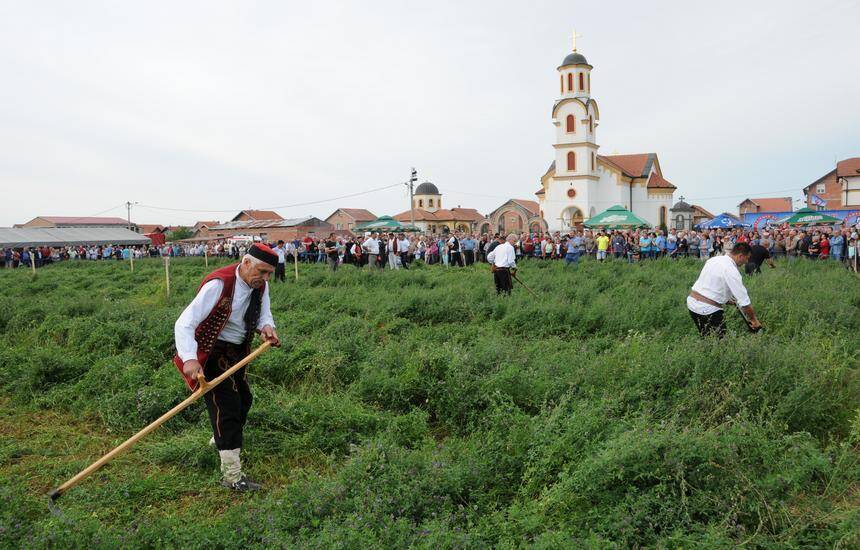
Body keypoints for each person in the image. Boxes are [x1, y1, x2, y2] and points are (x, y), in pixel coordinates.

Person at [173, 244, 281, 491]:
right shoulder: (219, 284)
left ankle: (221, 440)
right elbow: (184, 323)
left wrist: (266, 327)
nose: (264, 279)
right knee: (227, 405)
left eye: (268, 274)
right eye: (261, 272)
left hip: (237, 352)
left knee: (244, 400)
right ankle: (231, 476)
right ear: (245, 262)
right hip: (210, 352)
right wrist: (189, 358)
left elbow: (264, 313)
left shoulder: (260, 286)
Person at [687, 242, 761, 337]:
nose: (747, 262)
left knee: (707, 337)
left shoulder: (714, 260)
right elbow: (744, 302)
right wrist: (754, 320)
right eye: (747, 258)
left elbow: (710, 285)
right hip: (707, 309)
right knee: (720, 343)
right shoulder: (731, 270)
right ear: (740, 256)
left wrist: (726, 299)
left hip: (692, 303)